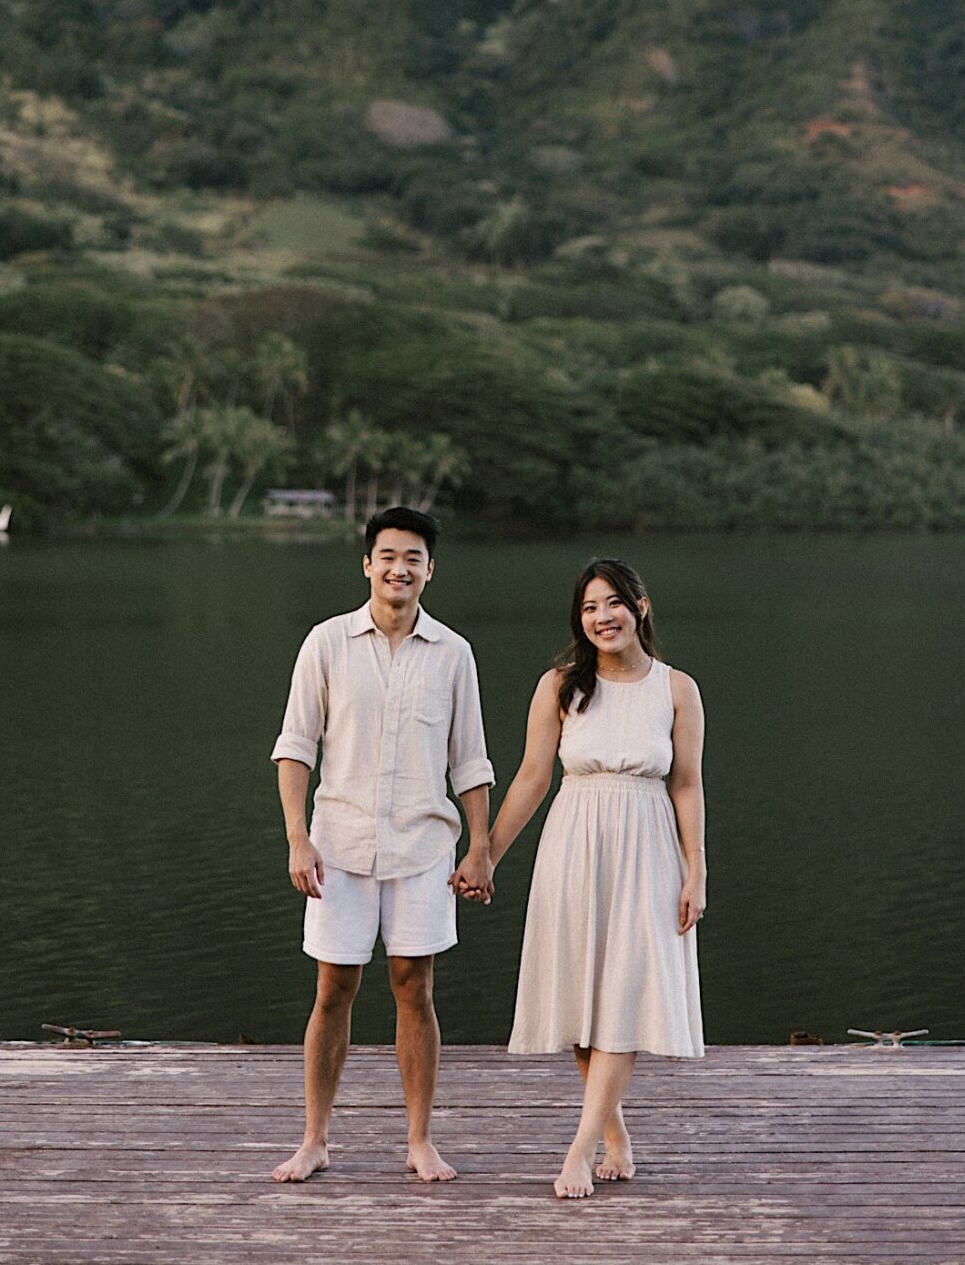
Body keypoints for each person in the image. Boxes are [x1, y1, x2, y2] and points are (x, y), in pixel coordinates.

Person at [461, 556, 705, 1199]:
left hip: (648, 845)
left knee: (624, 992)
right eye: (590, 607)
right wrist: (486, 854)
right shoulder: (560, 686)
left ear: (640, 607)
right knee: (580, 996)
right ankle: (614, 1132)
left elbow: (686, 783)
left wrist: (697, 870)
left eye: (614, 603)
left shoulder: (677, 689)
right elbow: (532, 776)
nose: (603, 617)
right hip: (574, 840)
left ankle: (580, 1147)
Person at [270, 505, 495, 1183]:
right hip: (337, 844)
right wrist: (297, 838)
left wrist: (479, 846)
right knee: (333, 987)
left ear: (430, 570)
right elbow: (295, 746)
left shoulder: (453, 653)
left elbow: (470, 760)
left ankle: (420, 1141)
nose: (400, 569)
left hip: (423, 845)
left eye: (413, 559)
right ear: (367, 564)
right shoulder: (327, 643)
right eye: (388, 556)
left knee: (413, 986)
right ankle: (314, 1140)